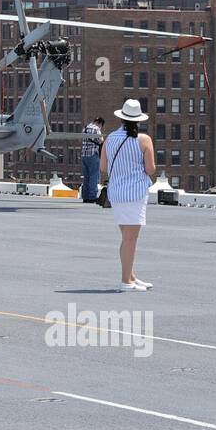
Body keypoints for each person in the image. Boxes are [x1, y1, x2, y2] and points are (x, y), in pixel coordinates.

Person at [101, 99, 156, 292]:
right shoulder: (144, 140)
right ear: (138, 120)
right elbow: (150, 169)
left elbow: (103, 168)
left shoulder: (110, 138)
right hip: (135, 193)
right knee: (131, 239)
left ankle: (130, 275)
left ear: (122, 118)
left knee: (126, 237)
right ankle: (126, 281)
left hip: (116, 193)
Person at [81, 117, 106, 203]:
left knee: (86, 177)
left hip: (84, 155)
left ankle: (85, 196)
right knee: (94, 176)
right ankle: (92, 197)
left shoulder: (85, 128)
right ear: (100, 123)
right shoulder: (96, 129)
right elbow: (102, 140)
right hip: (92, 155)